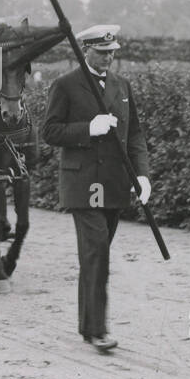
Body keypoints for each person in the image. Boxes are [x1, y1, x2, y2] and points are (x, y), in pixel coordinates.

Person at [41, 25, 150, 352]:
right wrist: (88, 128)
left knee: (95, 256)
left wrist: (142, 176)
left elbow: (135, 136)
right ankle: (99, 330)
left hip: (114, 184)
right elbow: (50, 131)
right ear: (85, 49)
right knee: (97, 253)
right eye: (102, 52)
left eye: (113, 51)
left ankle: (89, 327)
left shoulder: (122, 85)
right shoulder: (66, 85)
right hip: (83, 184)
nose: (109, 57)